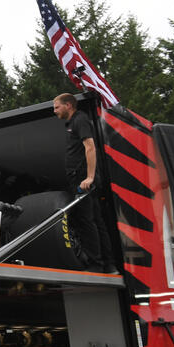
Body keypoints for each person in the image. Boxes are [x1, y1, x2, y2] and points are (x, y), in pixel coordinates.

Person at [53, 93, 111, 271]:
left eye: (57, 107)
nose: (55, 111)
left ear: (68, 105)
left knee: (87, 221)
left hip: (83, 179)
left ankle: (96, 263)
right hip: (79, 178)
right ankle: (107, 264)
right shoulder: (73, 123)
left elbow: (90, 147)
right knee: (95, 221)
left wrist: (90, 177)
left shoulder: (80, 119)